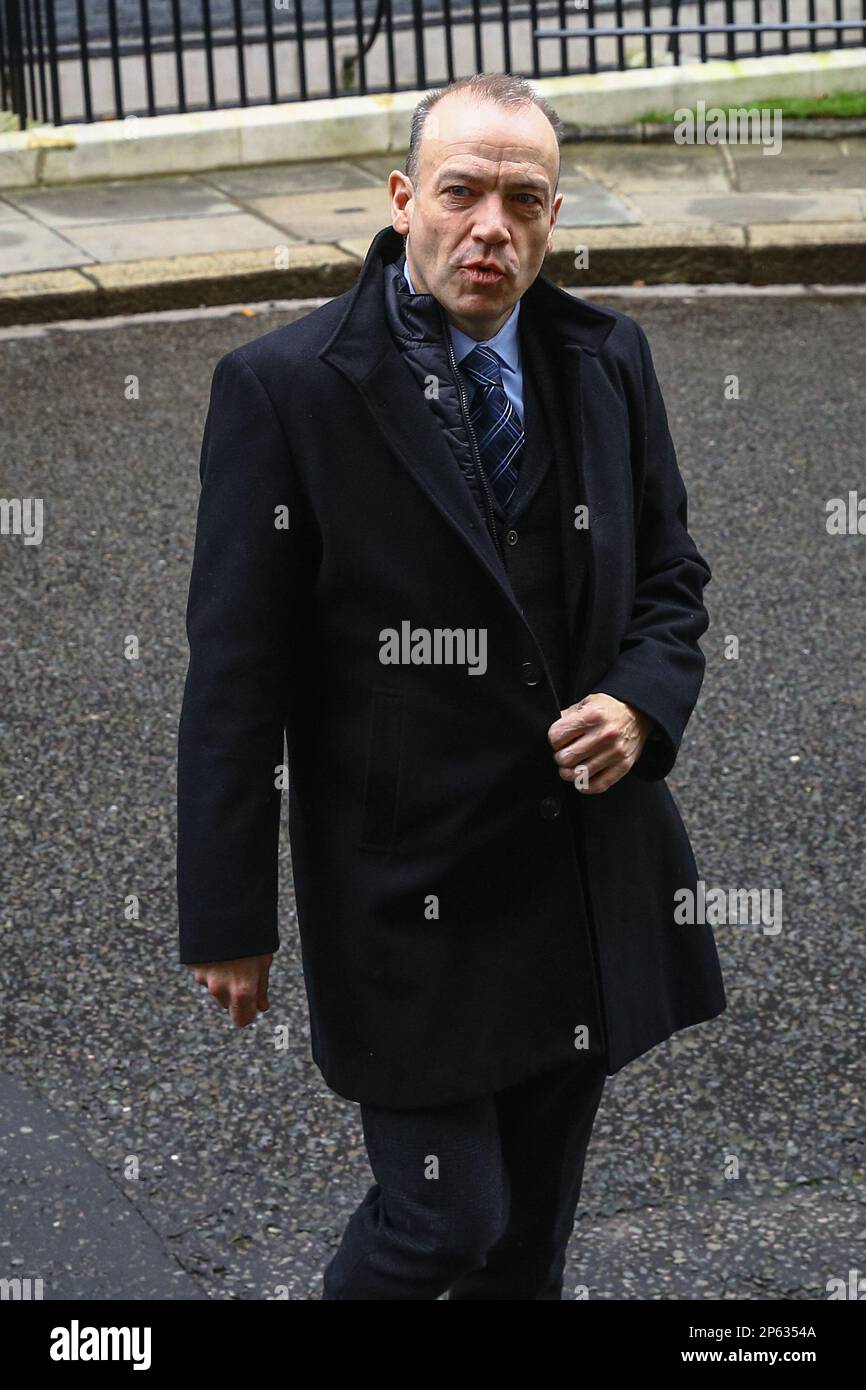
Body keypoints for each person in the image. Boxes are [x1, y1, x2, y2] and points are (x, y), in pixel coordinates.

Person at [177, 72, 726, 1300]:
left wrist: (640, 703)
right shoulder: (286, 387)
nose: (491, 226)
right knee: (442, 1223)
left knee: (525, 1241)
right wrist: (227, 912)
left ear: (552, 214)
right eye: (460, 192)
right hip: (406, 887)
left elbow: (671, 577)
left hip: (576, 875)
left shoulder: (606, 360)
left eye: (522, 200)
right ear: (400, 199)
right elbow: (234, 674)